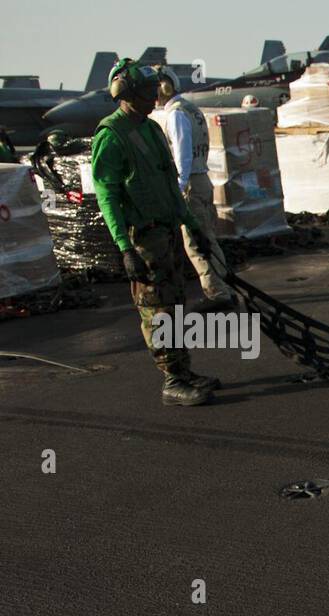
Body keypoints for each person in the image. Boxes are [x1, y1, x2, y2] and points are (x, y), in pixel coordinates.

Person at [91, 58, 217, 407]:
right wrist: (124, 248)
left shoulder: (150, 128)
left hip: (167, 233)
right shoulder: (111, 135)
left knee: (175, 303)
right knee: (156, 309)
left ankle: (184, 370)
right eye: (147, 91)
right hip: (142, 238)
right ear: (125, 94)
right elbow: (107, 194)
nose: (154, 95)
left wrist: (192, 226)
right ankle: (172, 380)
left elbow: (168, 183)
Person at [154, 66, 233, 311]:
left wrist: (179, 185)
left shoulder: (176, 115)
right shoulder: (192, 109)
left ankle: (217, 294)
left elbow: (182, 154)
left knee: (195, 242)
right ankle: (224, 286)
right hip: (202, 179)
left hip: (190, 183)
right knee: (208, 236)